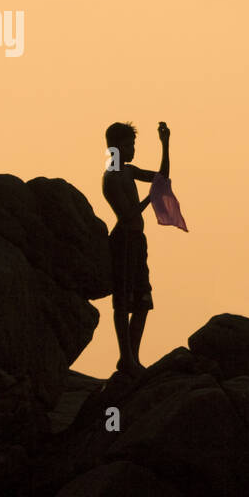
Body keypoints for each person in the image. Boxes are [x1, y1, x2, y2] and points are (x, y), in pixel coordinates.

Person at [102, 120, 170, 376]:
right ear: (117, 146)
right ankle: (125, 357)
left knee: (142, 301)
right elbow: (128, 215)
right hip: (123, 242)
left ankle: (133, 356)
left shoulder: (129, 171)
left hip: (138, 241)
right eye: (129, 145)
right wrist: (150, 198)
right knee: (122, 301)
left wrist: (165, 144)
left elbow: (161, 178)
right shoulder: (111, 177)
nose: (133, 149)